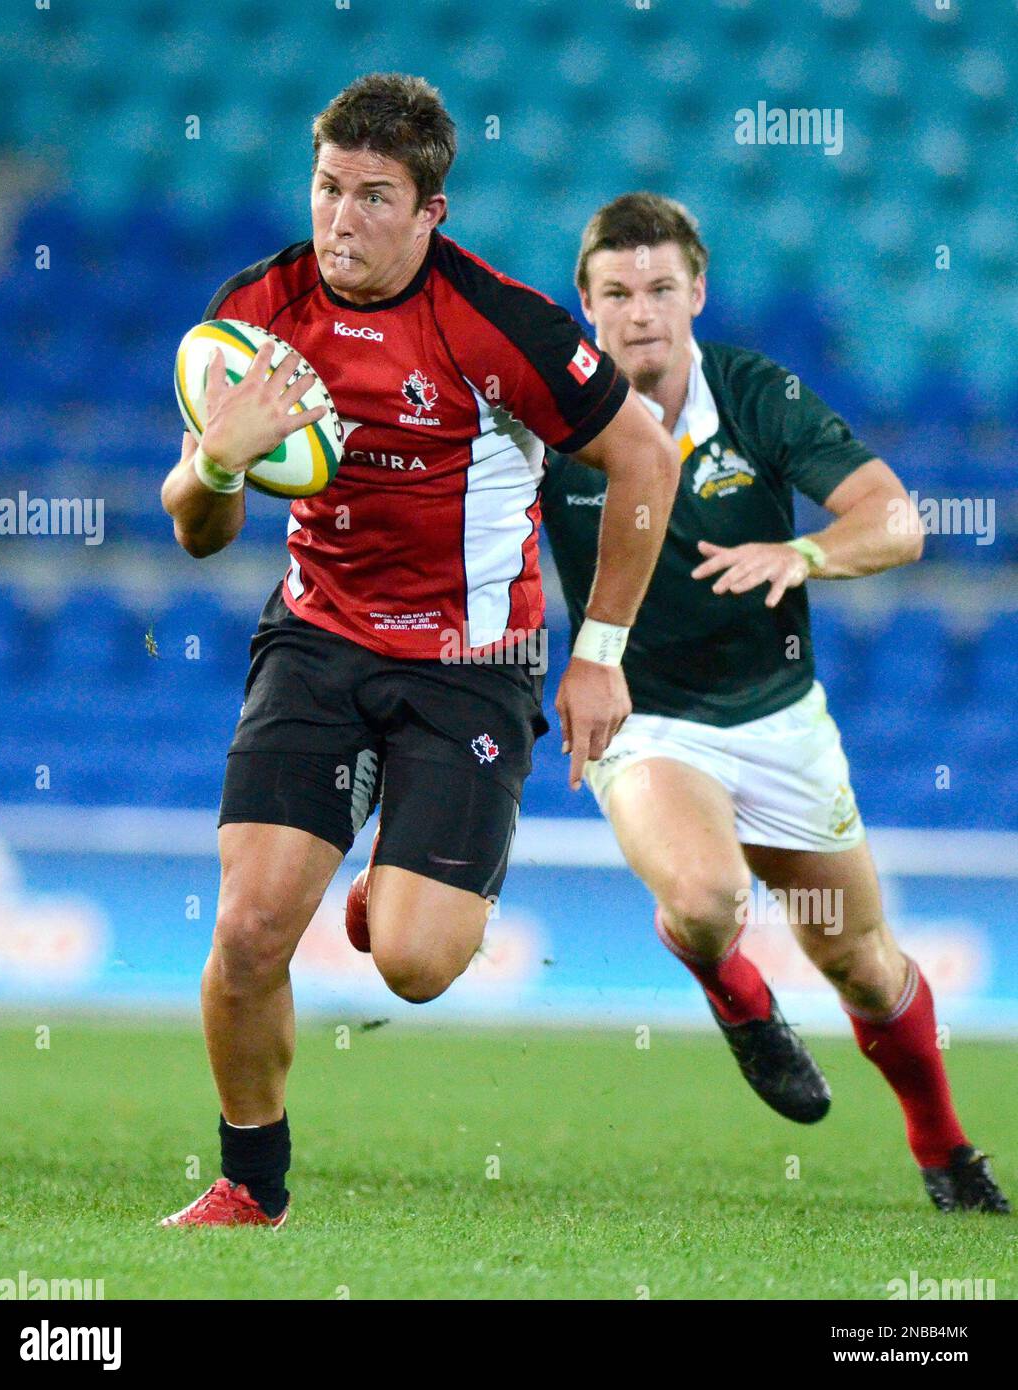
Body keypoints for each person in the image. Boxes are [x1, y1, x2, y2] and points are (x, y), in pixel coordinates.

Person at [158, 79, 679, 1227]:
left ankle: (396, 865)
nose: (341, 219)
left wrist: (599, 653)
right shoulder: (254, 313)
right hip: (317, 636)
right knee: (247, 930)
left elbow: (645, 461)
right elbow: (195, 531)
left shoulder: (501, 323)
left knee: (416, 963)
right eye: (328, 188)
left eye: (374, 197)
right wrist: (222, 460)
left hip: (469, 662)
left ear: (429, 210)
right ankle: (251, 1183)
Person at [540, 192, 1009, 1214]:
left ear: (696, 293)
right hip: (648, 721)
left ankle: (942, 1145)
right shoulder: (553, 416)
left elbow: (894, 519)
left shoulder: (753, 392)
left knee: (864, 967)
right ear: (585, 304)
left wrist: (796, 552)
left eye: (662, 288)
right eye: (616, 292)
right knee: (707, 902)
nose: (641, 313)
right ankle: (738, 1000)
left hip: (778, 719)